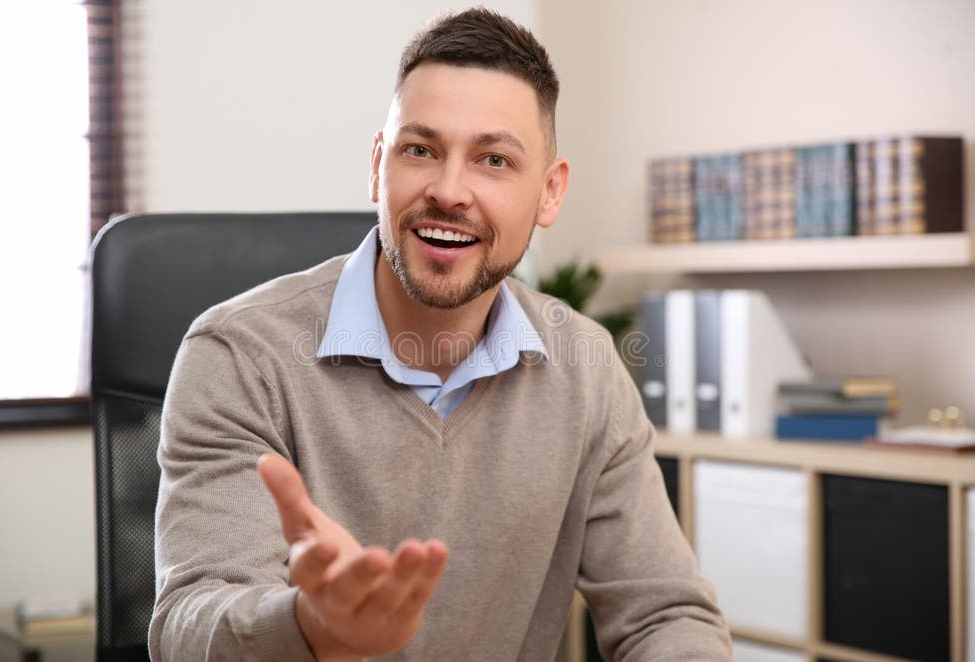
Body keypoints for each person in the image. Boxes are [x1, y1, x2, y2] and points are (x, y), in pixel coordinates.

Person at [150, 8, 730, 661]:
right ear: (378, 165)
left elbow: (665, 614)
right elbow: (185, 628)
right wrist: (311, 627)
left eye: (494, 160)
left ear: (549, 192)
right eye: (420, 150)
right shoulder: (238, 356)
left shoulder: (587, 367)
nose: (450, 191)